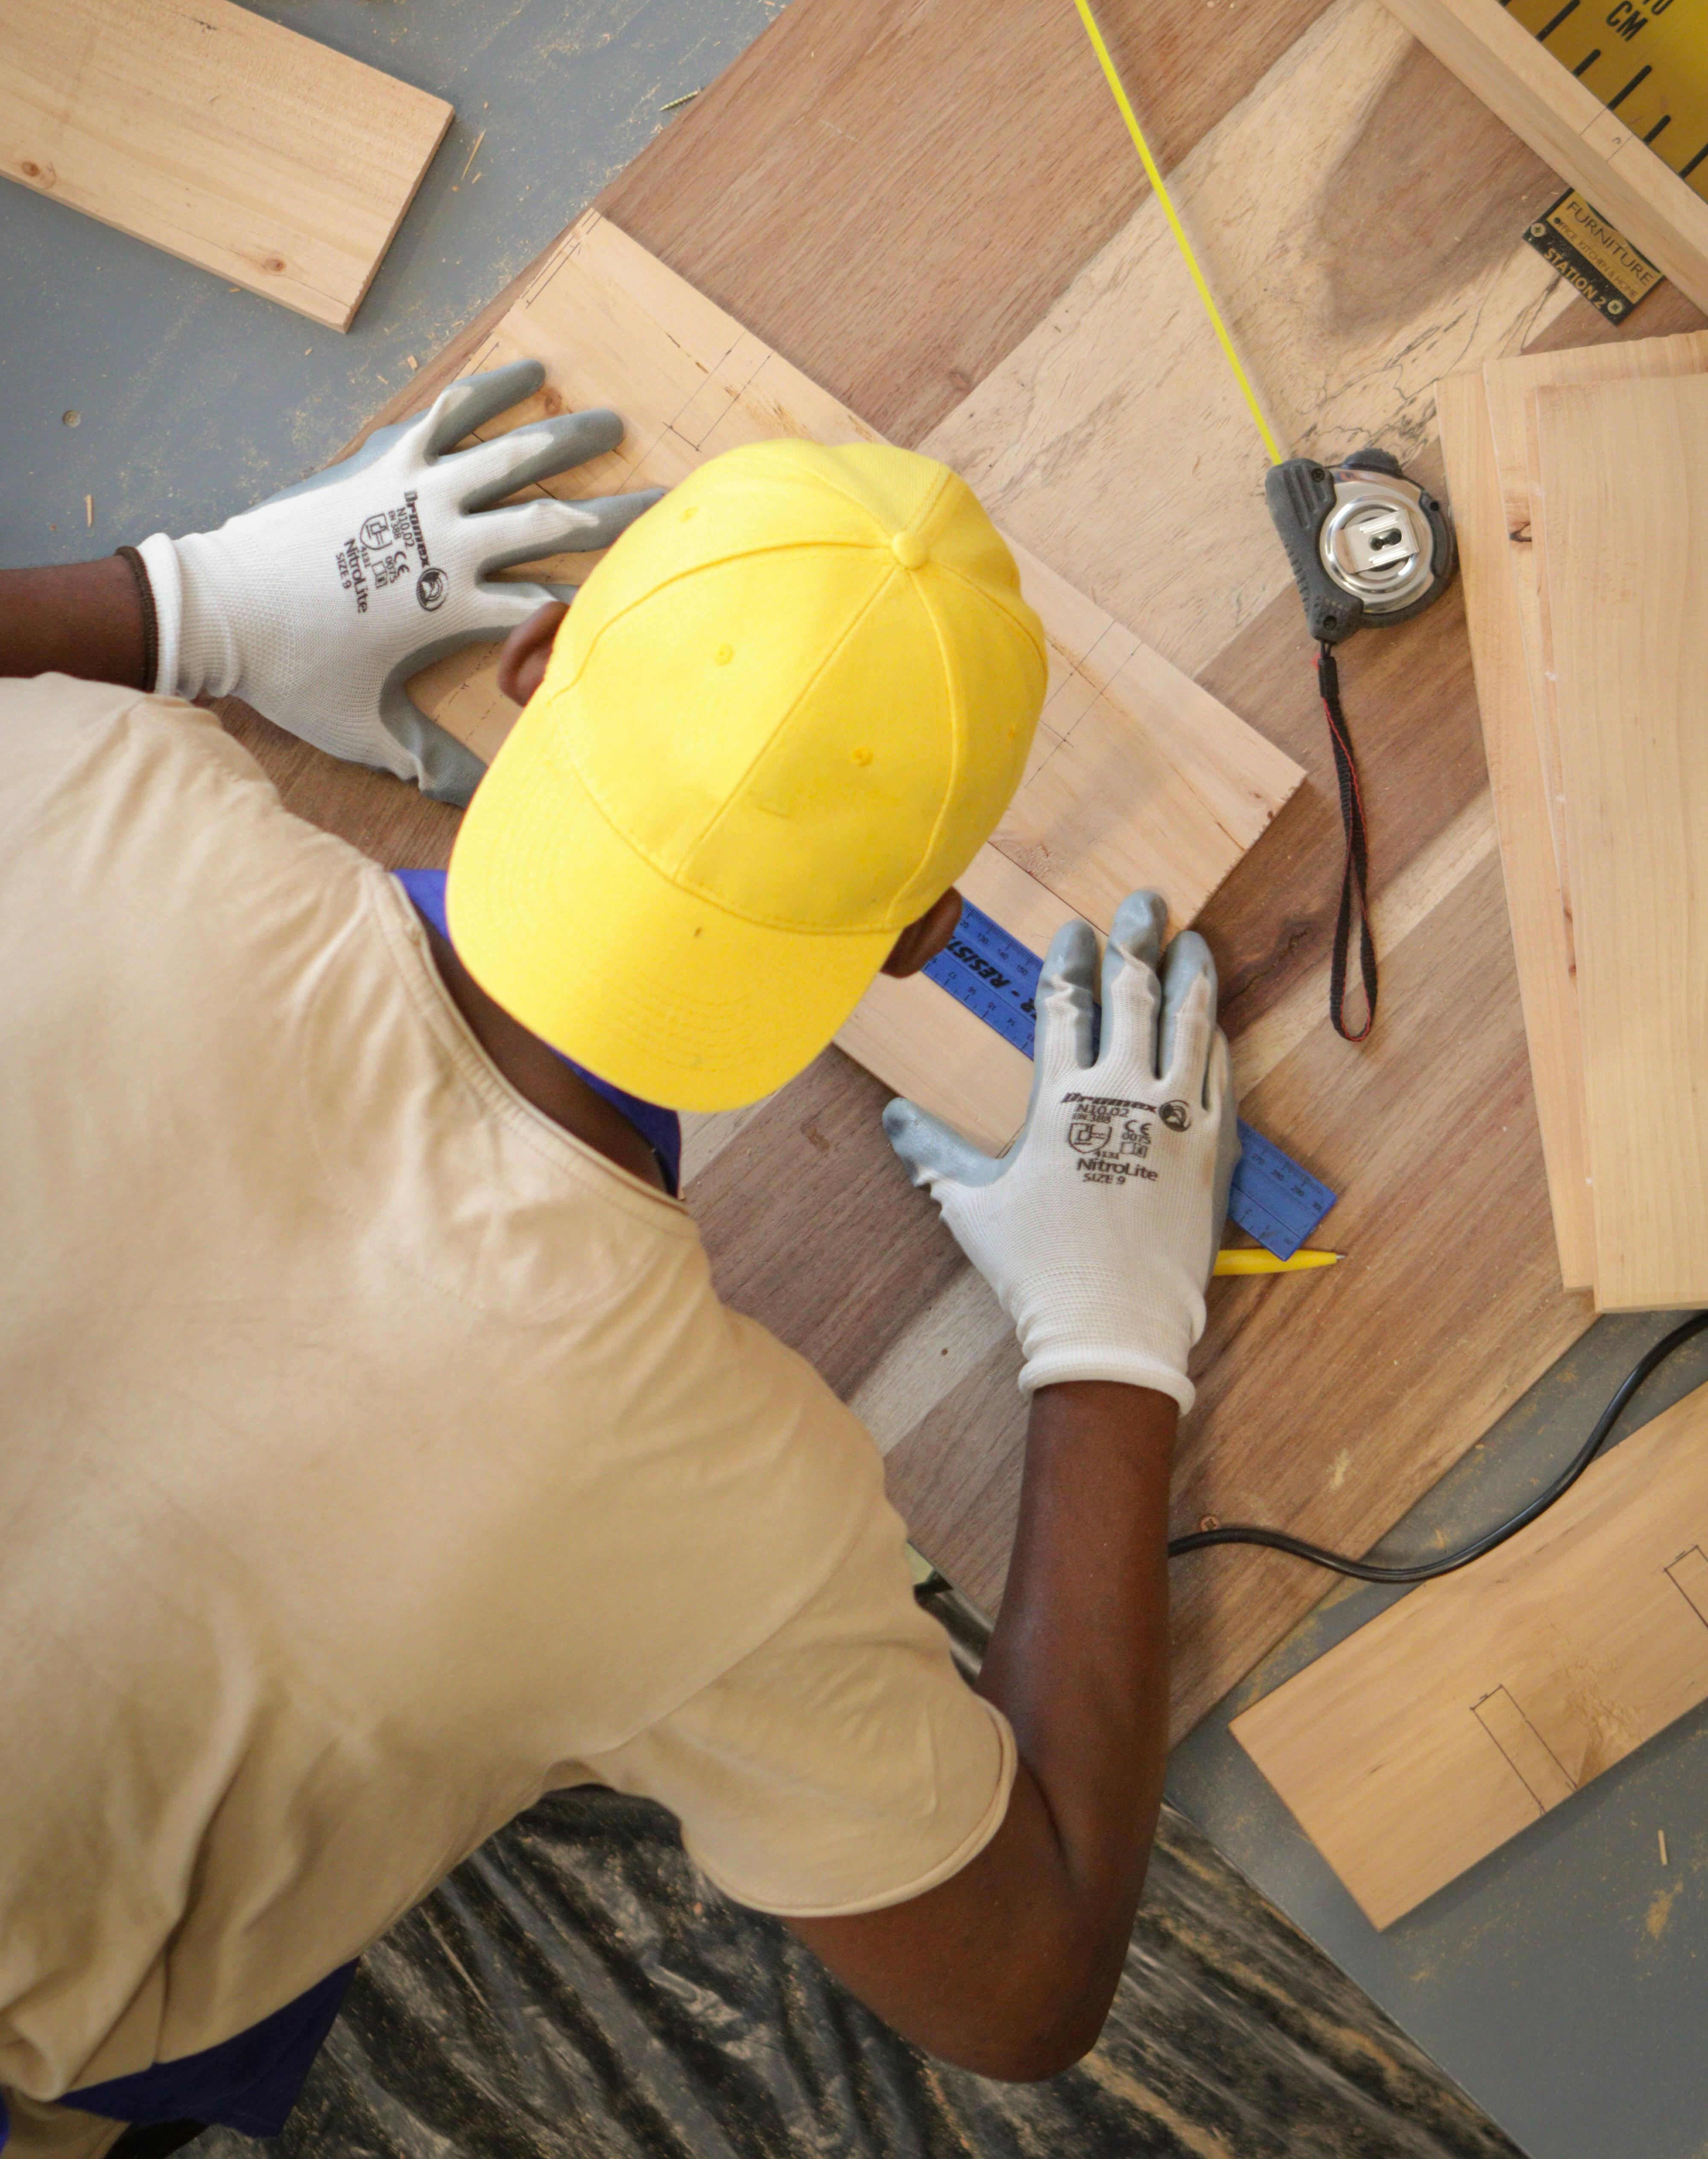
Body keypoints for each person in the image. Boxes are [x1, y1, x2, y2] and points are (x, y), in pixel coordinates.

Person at [0, 366, 1234, 2159]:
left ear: (536, 658)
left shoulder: (75, 778)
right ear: (922, 938)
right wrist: (1113, 1336)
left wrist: (188, 608)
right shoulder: (719, 1504)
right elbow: (1028, 1978)